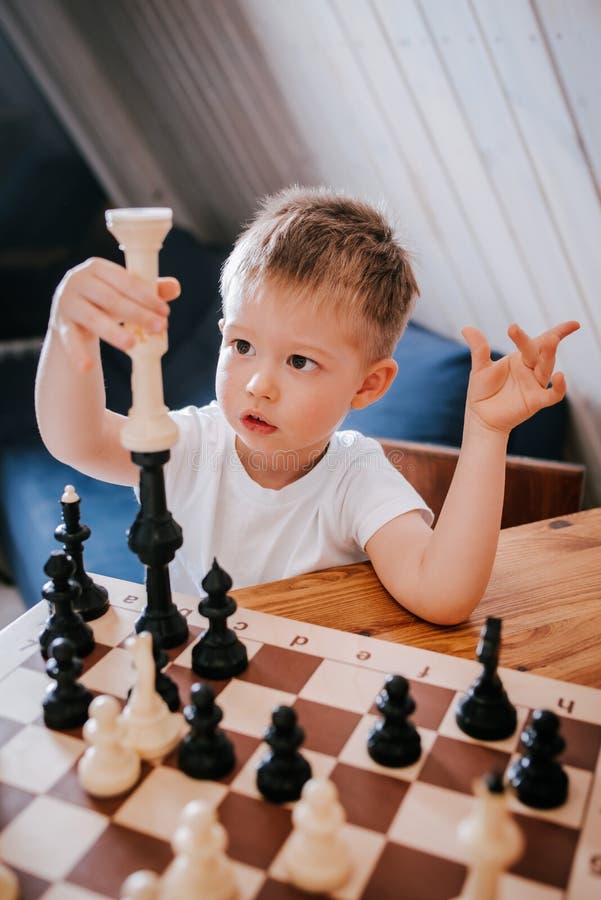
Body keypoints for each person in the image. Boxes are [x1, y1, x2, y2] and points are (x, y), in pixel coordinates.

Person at [35, 187, 579, 625]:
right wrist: (67, 330)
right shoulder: (192, 444)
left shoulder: (357, 478)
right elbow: (77, 441)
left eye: (299, 362)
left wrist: (485, 431)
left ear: (368, 387)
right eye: (242, 347)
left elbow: (443, 595)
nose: (258, 386)